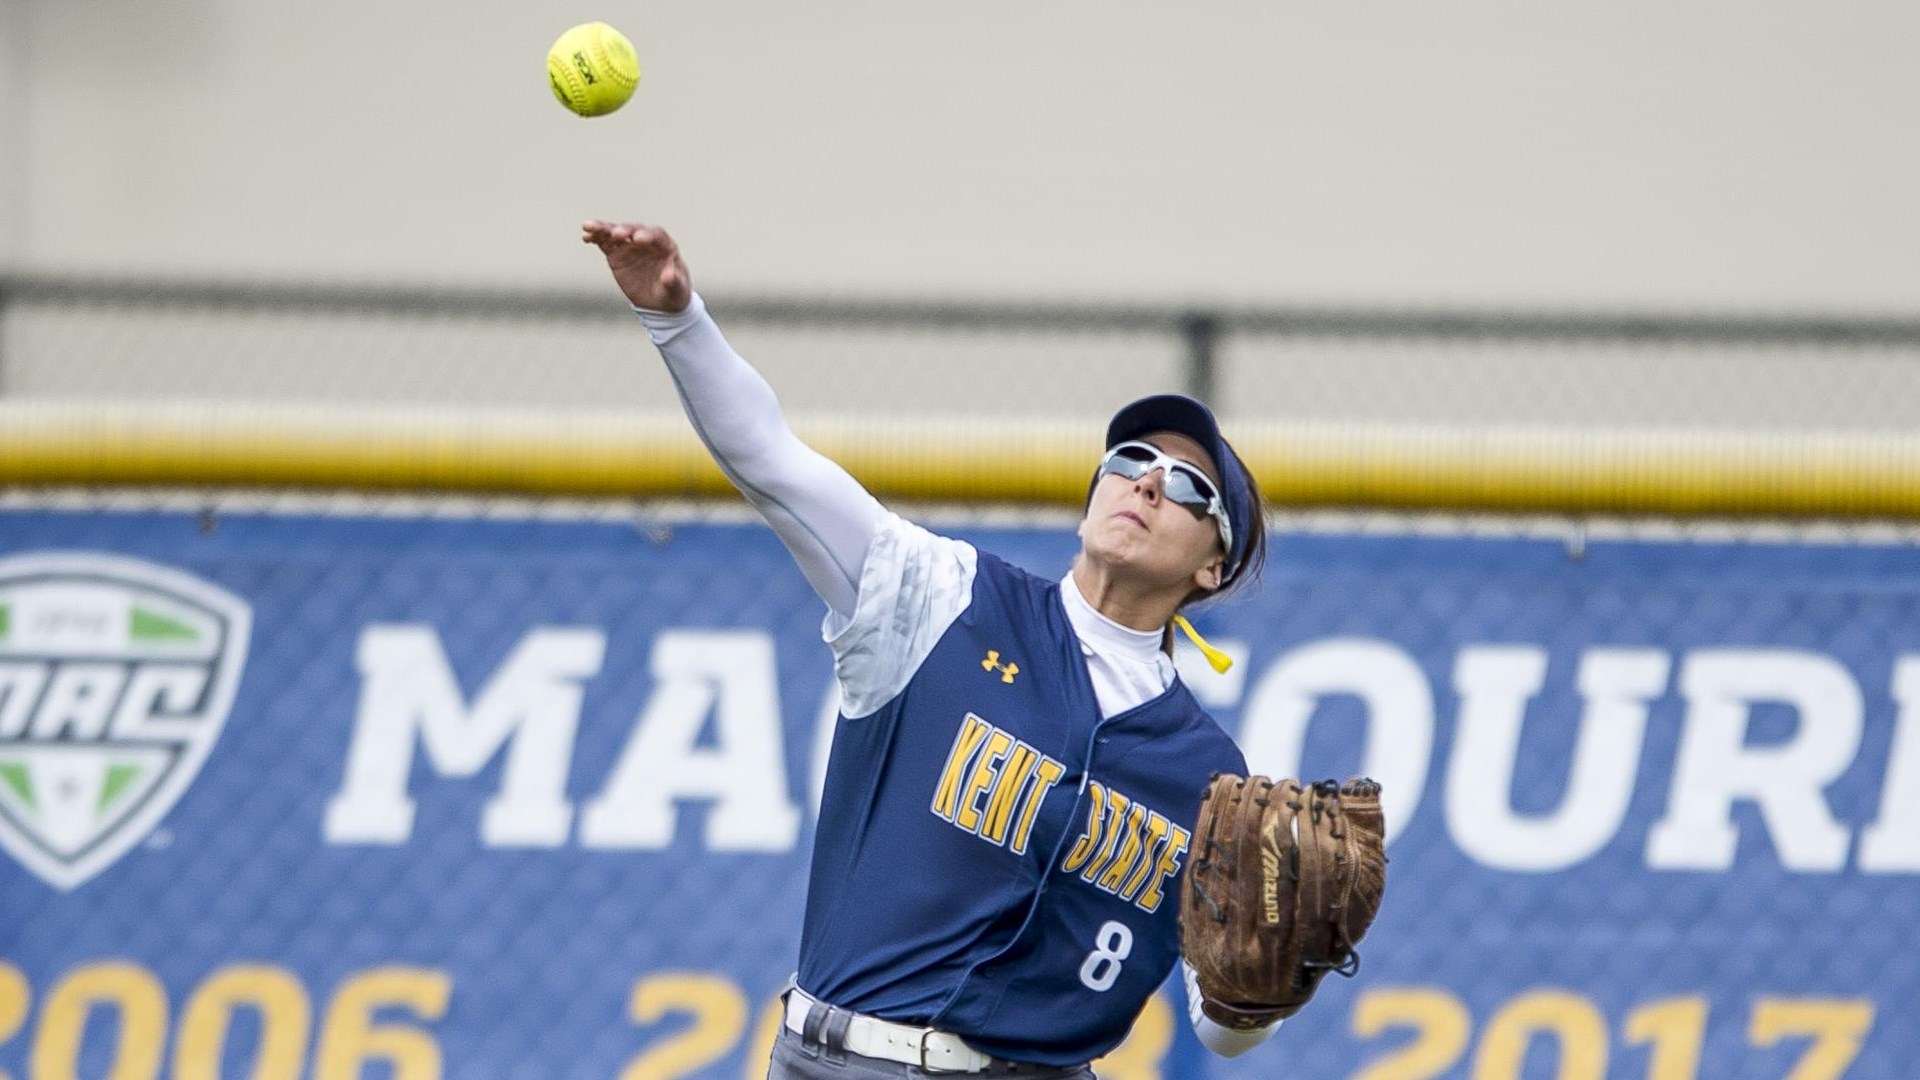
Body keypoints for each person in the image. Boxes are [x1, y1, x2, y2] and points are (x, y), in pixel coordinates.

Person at [584, 220, 1282, 1078]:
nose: (1144, 479)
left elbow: (1220, 1026)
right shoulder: (942, 597)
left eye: (1186, 485)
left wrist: (1274, 975)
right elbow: (772, 461)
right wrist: (679, 320)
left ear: (1215, 564)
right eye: (1129, 456)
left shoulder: (1210, 775)